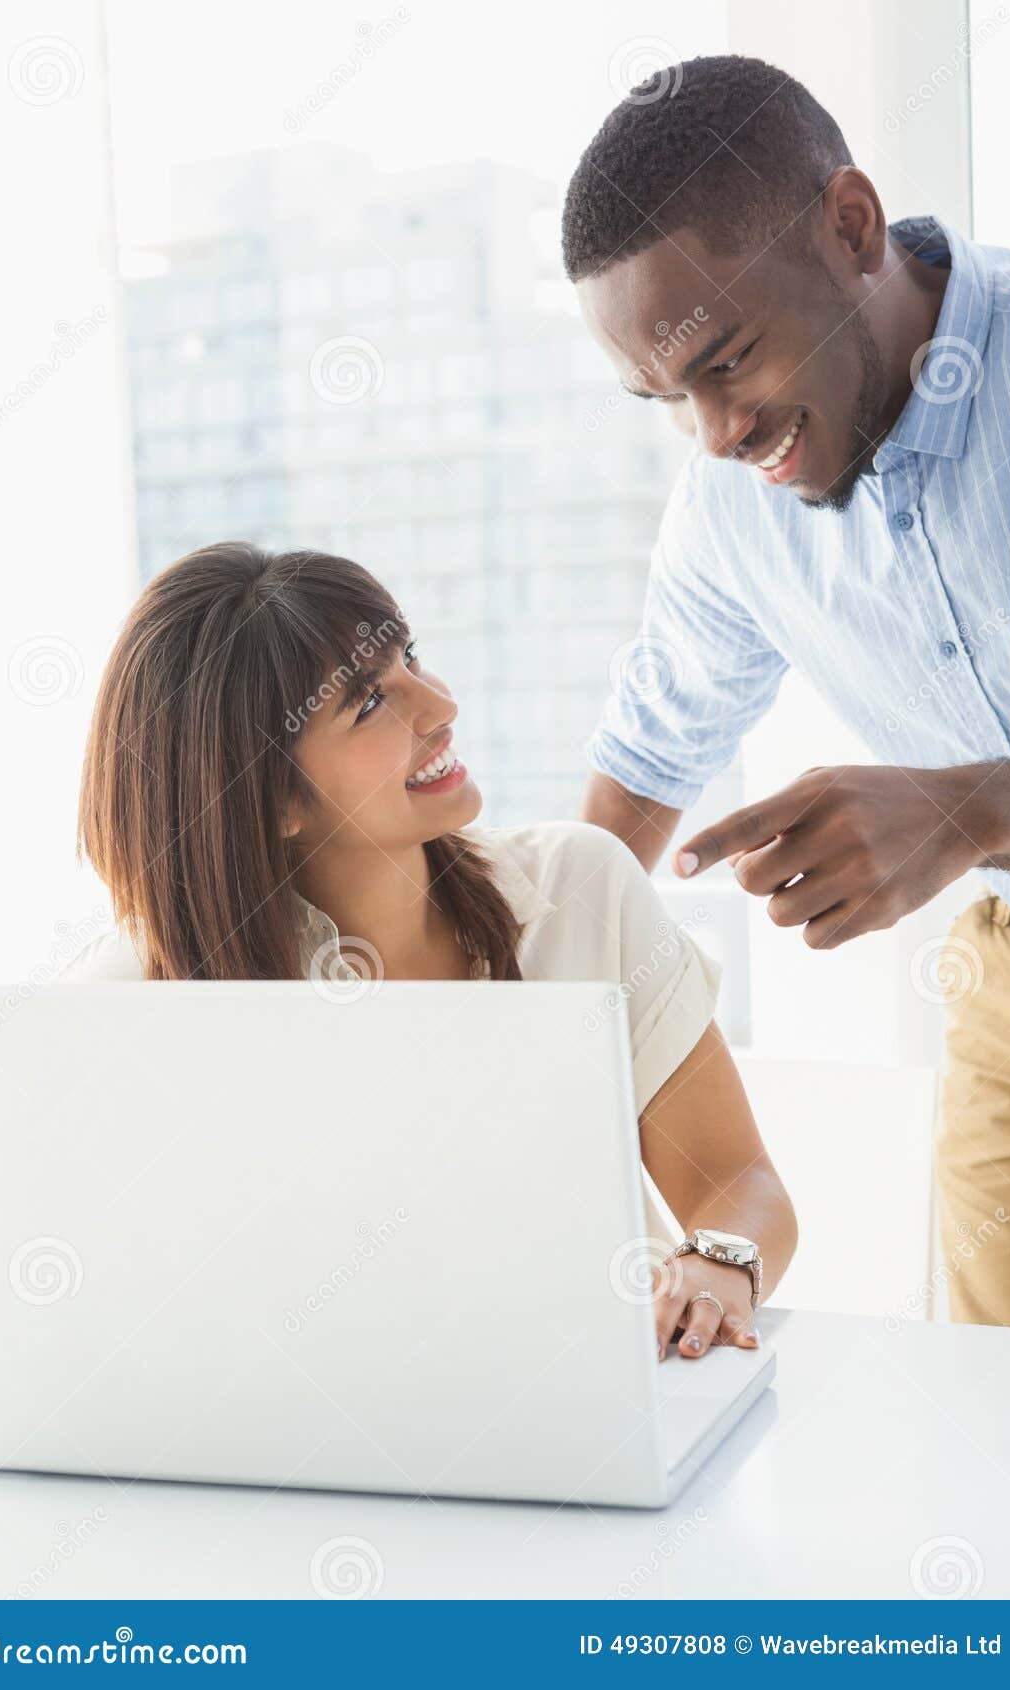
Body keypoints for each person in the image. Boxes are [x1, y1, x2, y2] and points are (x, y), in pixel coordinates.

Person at [65, 541, 796, 1360]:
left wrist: (716, 1266)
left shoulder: (579, 886)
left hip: (615, 1385)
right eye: (370, 703)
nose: (439, 706)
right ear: (268, 802)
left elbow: (737, 1180)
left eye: (408, 657)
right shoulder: (138, 995)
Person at [564, 53, 1010, 1327]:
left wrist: (975, 811)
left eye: (727, 362)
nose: (714, 436)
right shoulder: (729, 510)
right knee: (999, 1425)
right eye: (667, 400)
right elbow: (645, 763)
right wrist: (531, 1012)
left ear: (849, 227)